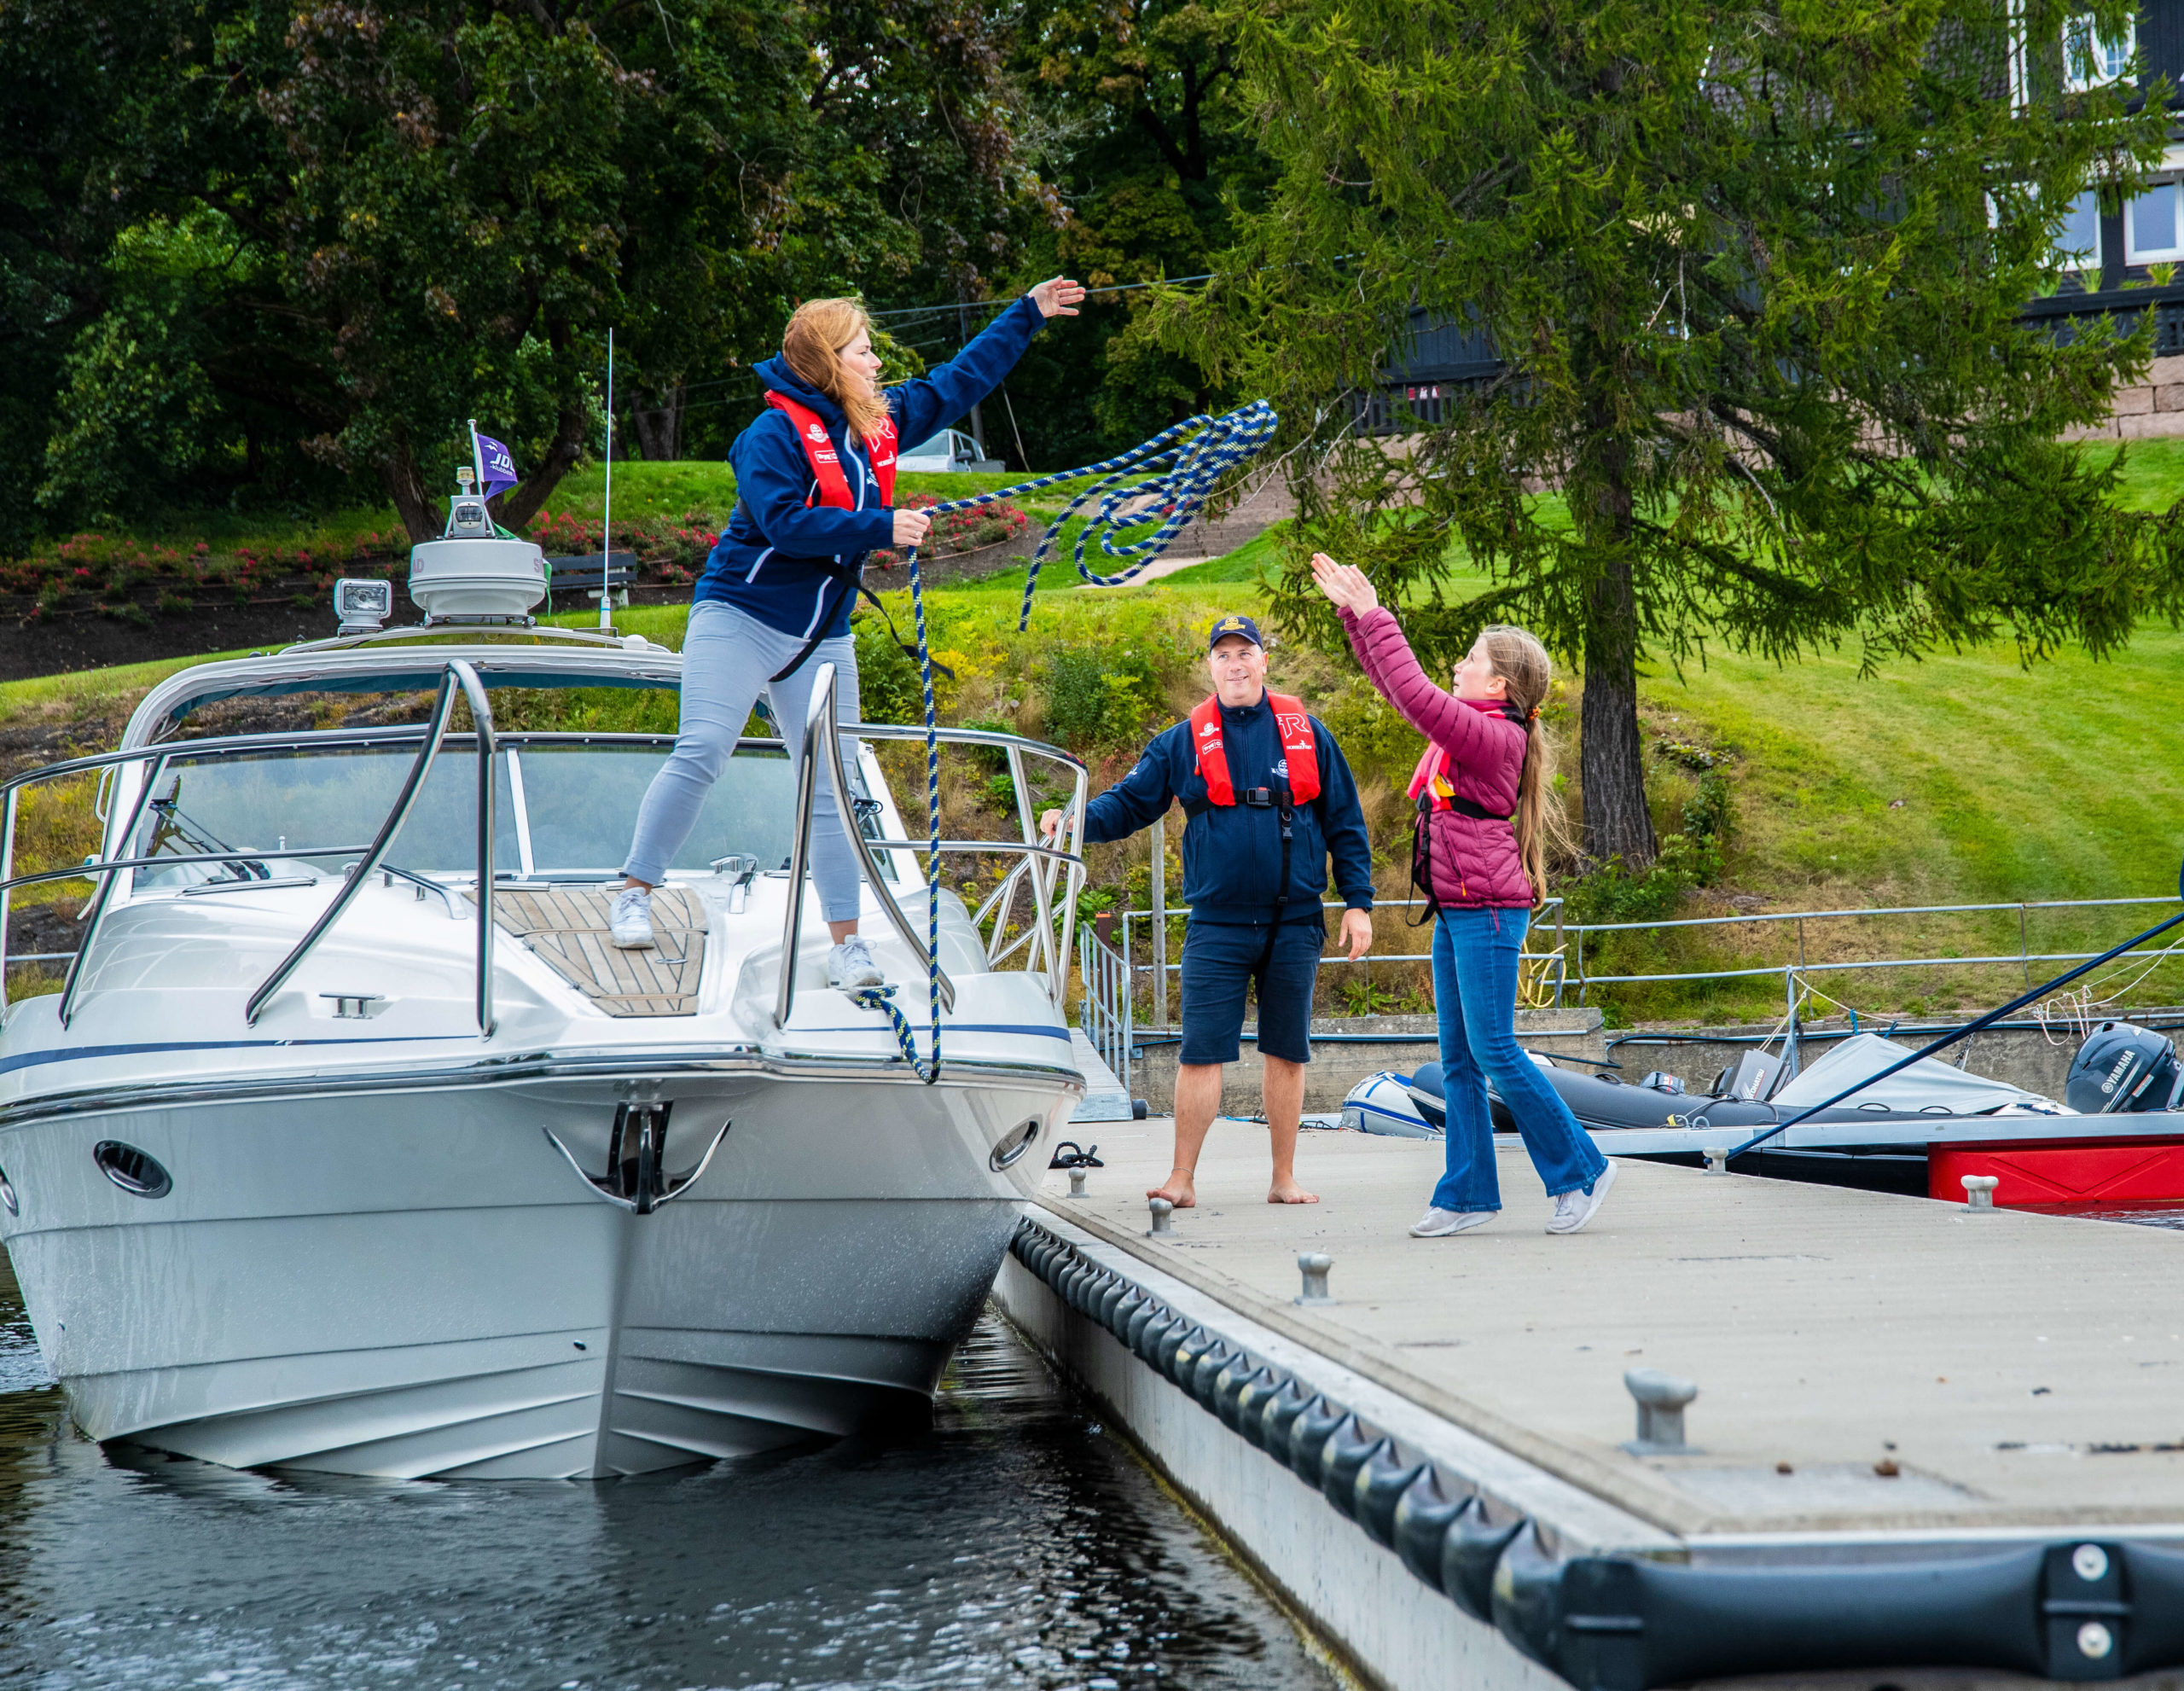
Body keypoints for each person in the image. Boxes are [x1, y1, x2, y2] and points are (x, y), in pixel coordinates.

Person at [609, 277, 1087, 987]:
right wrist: (880, 526)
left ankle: (847, 945)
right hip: (738, 619)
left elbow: (960, 381)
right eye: (863, 352)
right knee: (705, 748)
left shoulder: (879, 423)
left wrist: (1028, 314)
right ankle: (633, 893)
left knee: (834, 785)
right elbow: (784, 524)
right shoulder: (768, 436)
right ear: (830, 362)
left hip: (823, 638)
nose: (875, 363)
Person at [1309, 551, 1616, 1236]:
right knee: (1459, 1060)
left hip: (1488, 910)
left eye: (1471, 659)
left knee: (1494, 1050)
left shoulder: (1493, 736)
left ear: (1499, 684)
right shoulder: (1476, 730)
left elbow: (1416, 693)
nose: (1458, 666)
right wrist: (1357, 622)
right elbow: (1401, 692)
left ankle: (1583, 1171)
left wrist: (1376, 614)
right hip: (1459, 906)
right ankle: (1468, 1193)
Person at [1041, 614, 1376, 1206]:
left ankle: (1283, 1179)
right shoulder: (1181, 741)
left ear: (1264, 661)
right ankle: (1182, 1178)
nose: (1235, 664)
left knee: (1287, 1051)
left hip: (1295, 922)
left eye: (1245, 652)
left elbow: (1346, 823)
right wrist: (1072, 823)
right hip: (1217, 924)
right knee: (1200, 1051)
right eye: (1223, 655)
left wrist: (1358, 904)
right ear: (1210, 666)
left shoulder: (1308, 734)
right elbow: (1126, 805)